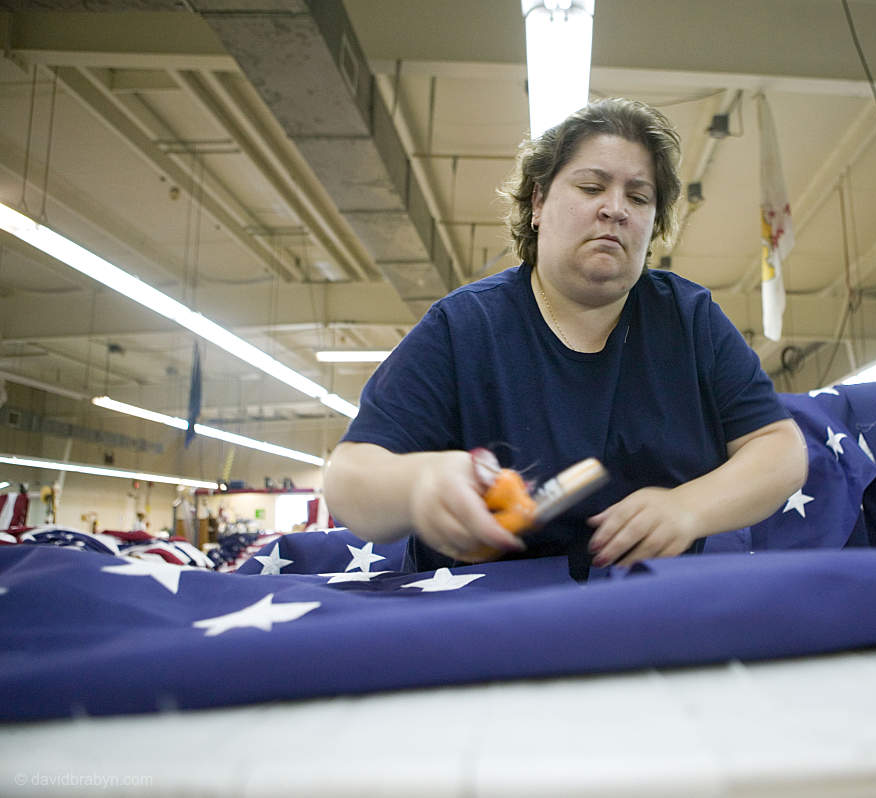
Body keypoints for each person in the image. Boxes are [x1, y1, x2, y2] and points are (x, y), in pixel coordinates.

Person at [324, 98, 808, 576]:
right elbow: (348, 479)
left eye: (639, 197)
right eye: (591, 186)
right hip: (483, 621)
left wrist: (688, 507)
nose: (615, 209)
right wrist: (419, 484)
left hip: (646, 615)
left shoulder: (690, 319)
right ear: (538, 202)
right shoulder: (464, 328)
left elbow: (779, 448)